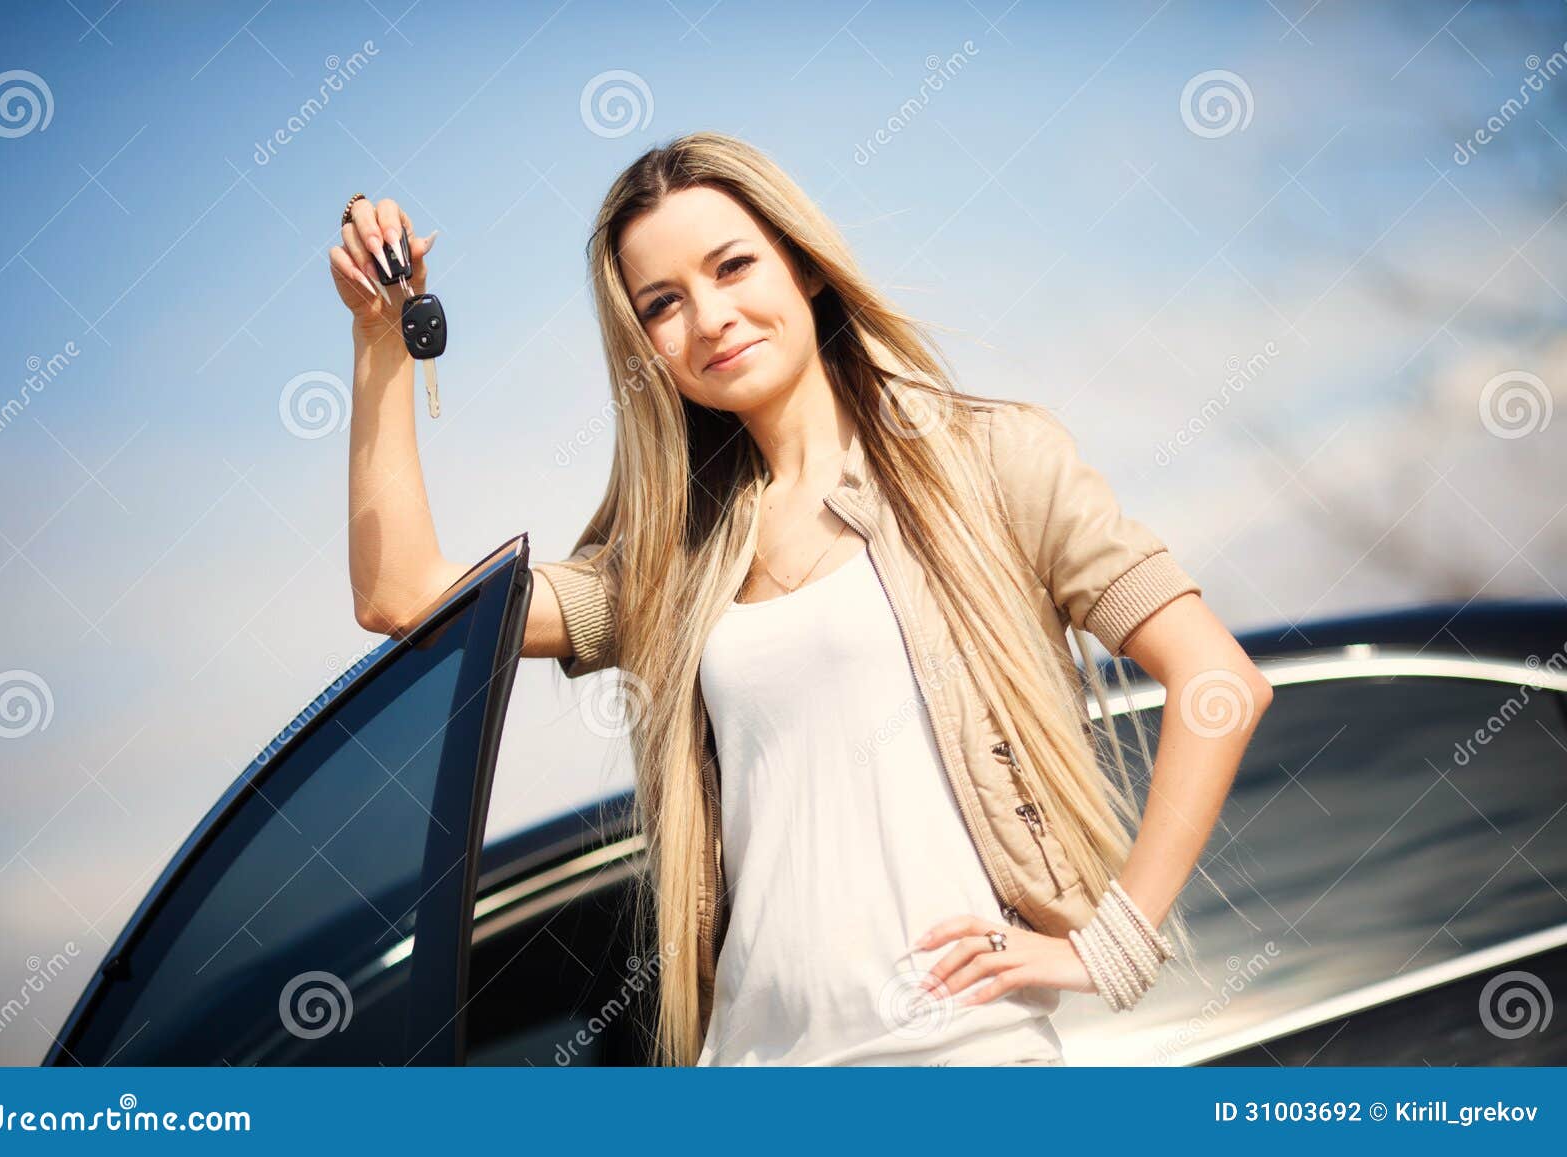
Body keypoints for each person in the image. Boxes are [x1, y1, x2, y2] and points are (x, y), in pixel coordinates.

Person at [331, 131, 1273, 1067]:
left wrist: (1111, 939)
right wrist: (381, 336)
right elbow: (406, 597)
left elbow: (1215, 680)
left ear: (805, 268)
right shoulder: (670, 565)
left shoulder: (991, 463)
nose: (709, 318)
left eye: (733, 265)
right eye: (664, 303)